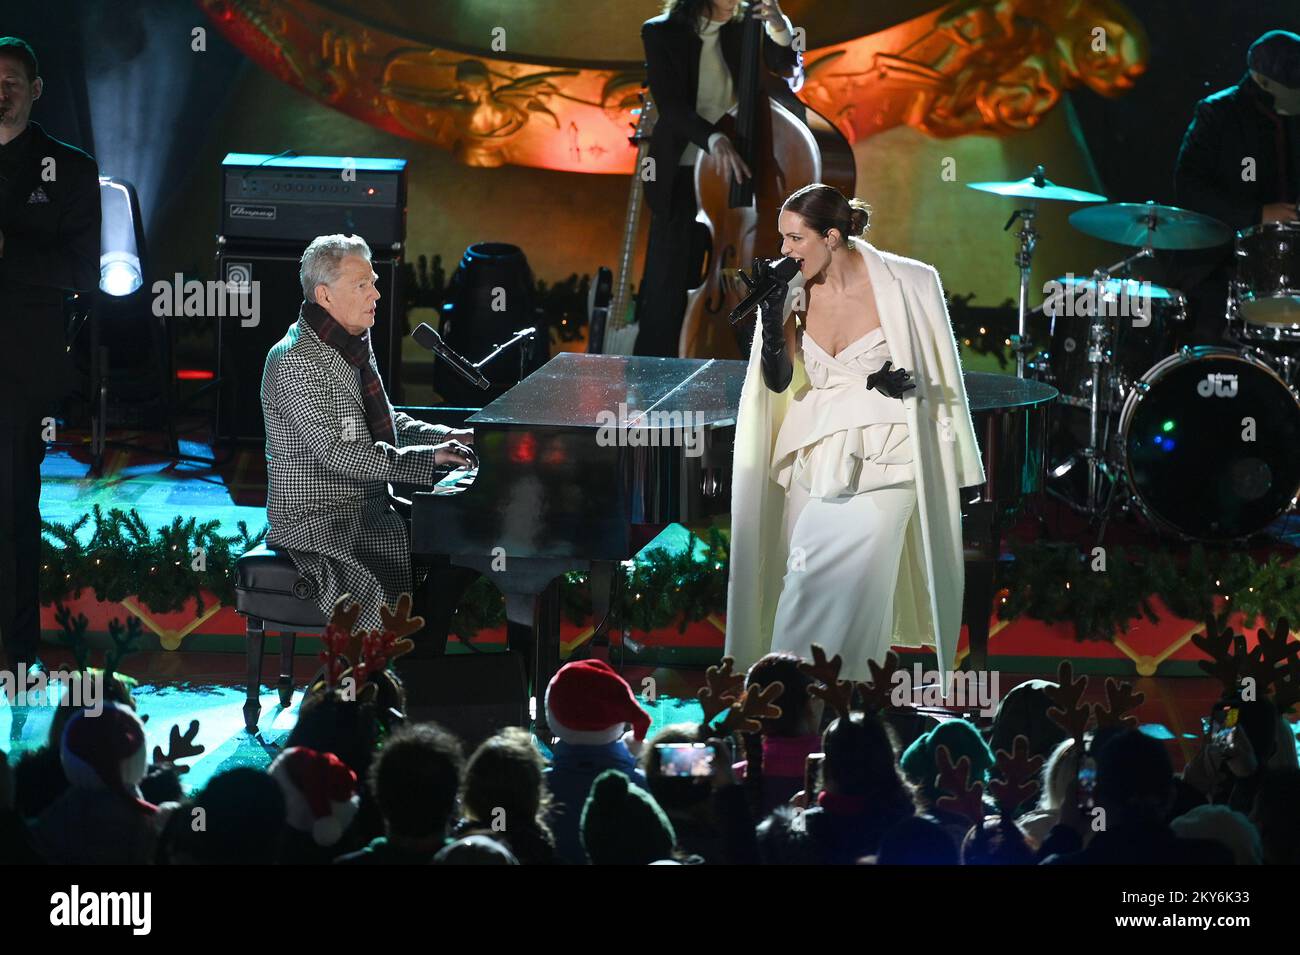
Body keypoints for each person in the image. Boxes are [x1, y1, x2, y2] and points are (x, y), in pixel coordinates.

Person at [726, 183, 985, 682]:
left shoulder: (909, 282)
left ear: (833, 236)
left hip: (891, 454)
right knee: (801, 583)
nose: (784, 251)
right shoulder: (793, 291)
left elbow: (941, 373)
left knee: (862, 590)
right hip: (820, 452)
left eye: (795, 239)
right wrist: (770, 310)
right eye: (782, 239)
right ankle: (788, 700)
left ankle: (848, 705)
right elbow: (777, 381)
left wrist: (903, 389)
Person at [261, 234, 476, 628]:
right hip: (316, 520)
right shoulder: (295, 360)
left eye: (373, 282)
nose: (375, 294)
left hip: (367, 509)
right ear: (324, 296)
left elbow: (390, 424)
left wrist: (451, 437)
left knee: (454, 553)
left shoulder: (352, 340)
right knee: (396, 593)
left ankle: (416, 670)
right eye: (362, 285)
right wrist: (428, 460)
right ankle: (381, 676)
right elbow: (337, 452)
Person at [0, 36, 100, 675]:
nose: (0, 87)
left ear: (34, 91)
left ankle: (16, 654)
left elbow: (79, 270)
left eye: (12, 78)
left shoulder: (67, 168)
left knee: (12, 504)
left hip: (20, 365)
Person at [633, 0, 798, 357]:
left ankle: (738, 365)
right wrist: (713, 139)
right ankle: (650, 379)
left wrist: (778, 25)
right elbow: (671, 105)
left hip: (739, 168)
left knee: (737, 272)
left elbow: (791, 72)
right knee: (668, 281)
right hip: (681, 169)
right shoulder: (660, 32)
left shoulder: (747, 26)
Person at [1173, 29, 1300, 346]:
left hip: (1288, 265)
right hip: (1220, 267)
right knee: (1211, 344)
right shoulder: (1218, 113)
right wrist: (1257, 214)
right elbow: (1189, 189)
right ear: (1263, 81)